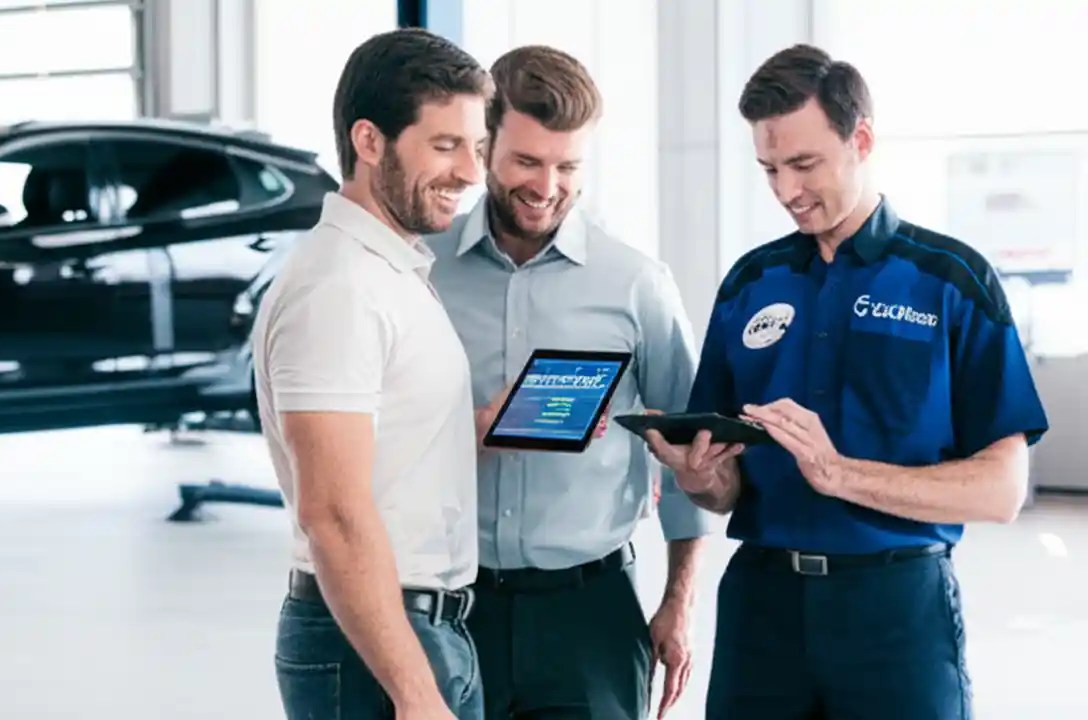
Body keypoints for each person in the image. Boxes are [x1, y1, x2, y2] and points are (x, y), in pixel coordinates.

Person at [642, 43, 1050, 720]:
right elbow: (723, 489)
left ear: (861, 139)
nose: (785, 191)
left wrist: (840, 474)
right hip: (762, 608)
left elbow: (1002, 490)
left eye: (804, 164)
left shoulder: (952, 280)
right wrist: (698, 476)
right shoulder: (751, 283)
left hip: (897, 608)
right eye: (769, 169)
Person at [426, 45, 714, 720]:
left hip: (592, 618)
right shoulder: (421, 272)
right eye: (526, 161)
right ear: (485, 146)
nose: (547, 185)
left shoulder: (636, 284)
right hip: (450, 607)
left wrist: (679, 602)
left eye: (568, 166)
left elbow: (687, 455)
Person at [251, 27, 493, 720]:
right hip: (374, 644)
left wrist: (485, 426)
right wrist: (416, 696)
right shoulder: (338, 287)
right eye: (444, 146)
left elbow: (384, 446)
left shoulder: (391, 270)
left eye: (475, 147)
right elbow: (331, 511)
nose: (471, 173)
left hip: (420, 631)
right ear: (369, 141)